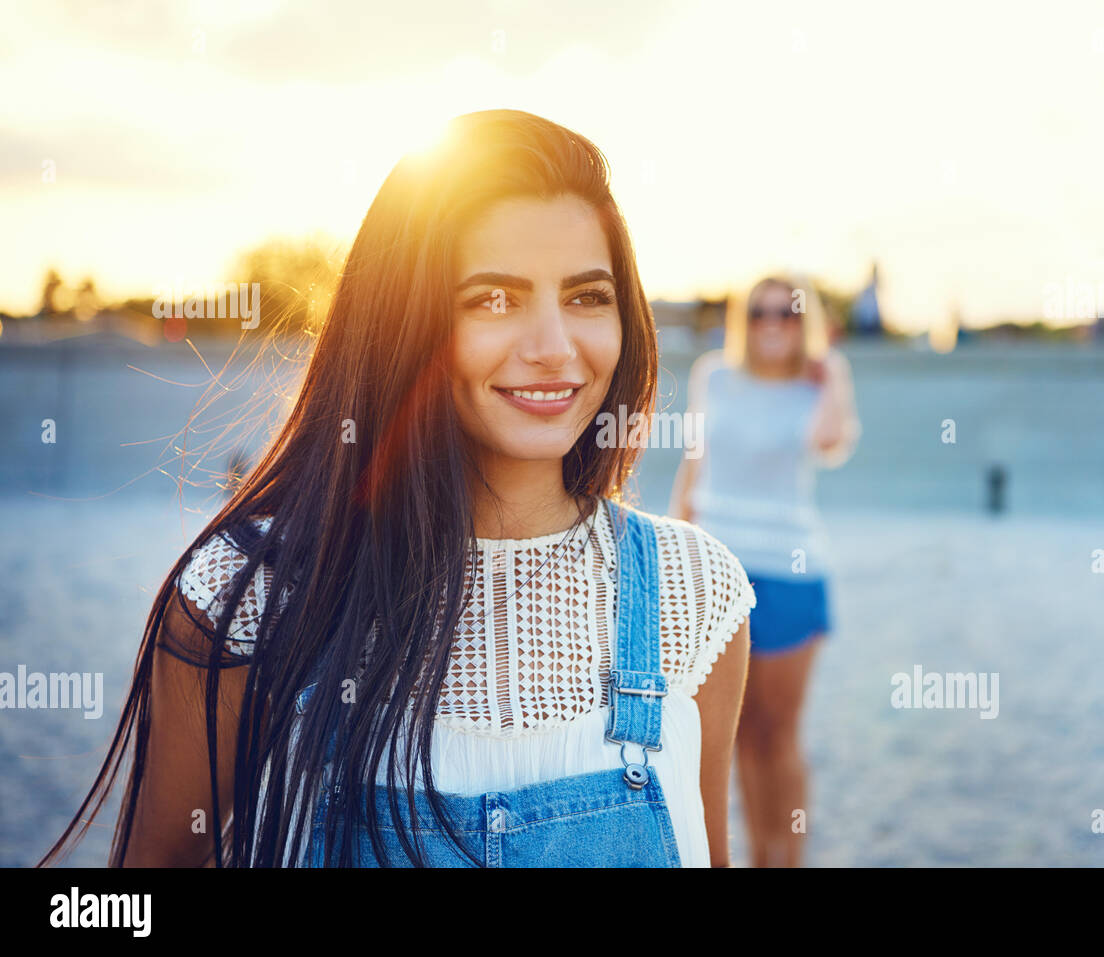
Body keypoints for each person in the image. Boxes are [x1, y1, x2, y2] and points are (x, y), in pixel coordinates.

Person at [38, 109, 755, 868]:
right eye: (493, 298)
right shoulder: (246, 599)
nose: (554, 348)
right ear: (407, 322)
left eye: (586, 297)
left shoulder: (694, 595)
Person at [669, 272, 859, 867]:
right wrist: (677, 546)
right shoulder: (714, 375)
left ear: (804, 322)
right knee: (736, 739)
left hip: (789, 573)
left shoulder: (813, 388)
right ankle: (759, 858)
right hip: (714, 574)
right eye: (759, 312)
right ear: (743, 320)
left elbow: (831, 441)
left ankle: (787, 859)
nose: (772, 323)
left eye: (787, 312)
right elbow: (694, 466)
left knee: (779, 735)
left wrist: (836, 374)